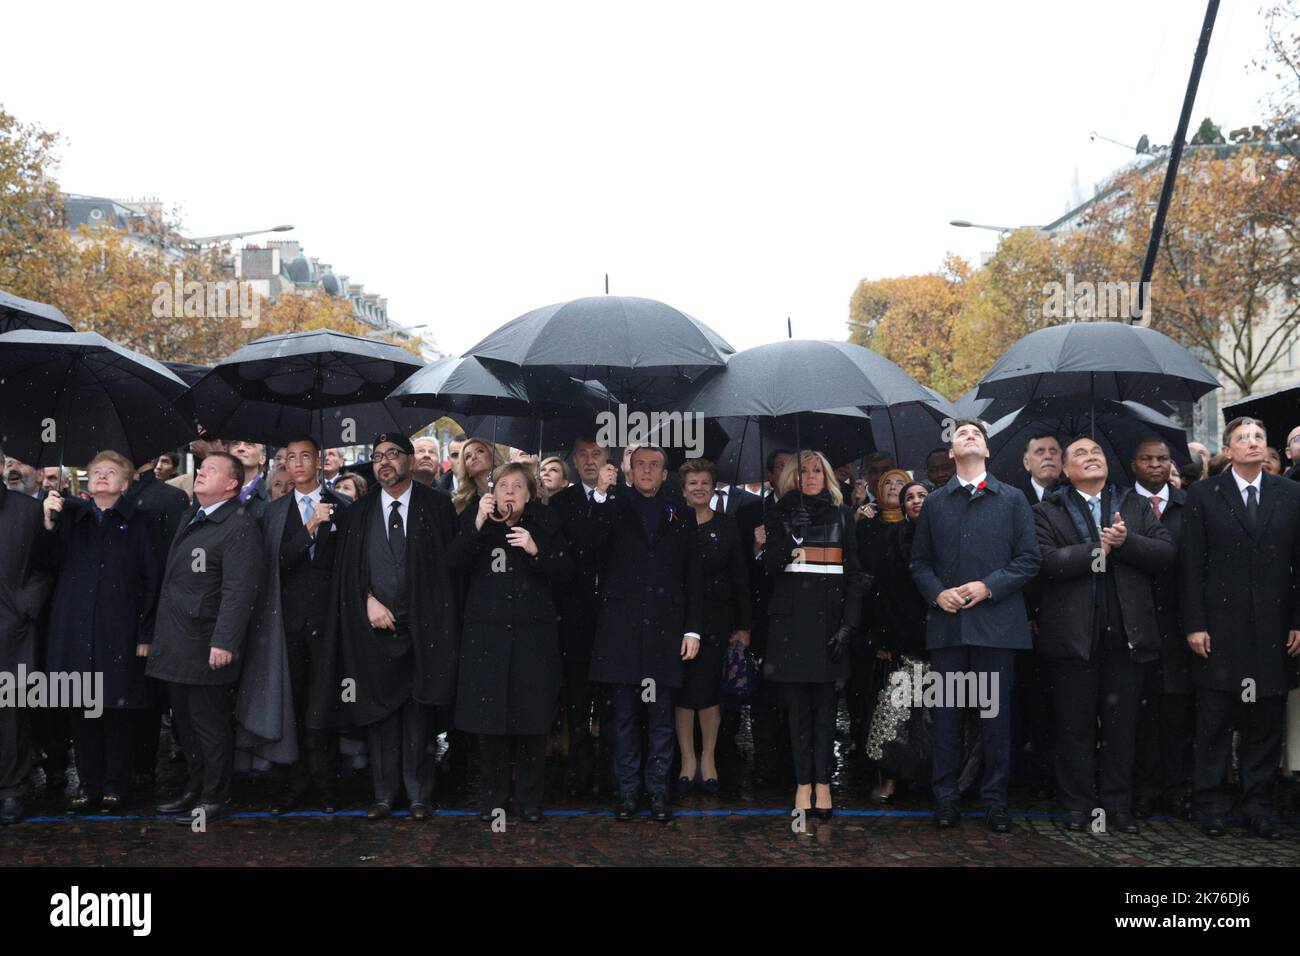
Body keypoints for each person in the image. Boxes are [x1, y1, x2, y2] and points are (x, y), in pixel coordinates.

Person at [308, 433, 459, 821]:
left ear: (409, 459)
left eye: (393, 454)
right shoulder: (357, 513)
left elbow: (452, 571)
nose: (384, 462)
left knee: (419, 714)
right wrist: (366, 599)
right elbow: (346, 573)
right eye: (377, 456)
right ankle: (383, 795)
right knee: (380, 716)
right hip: (373, 633)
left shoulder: (438, 508)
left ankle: (420, 795)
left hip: (424, 631)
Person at [1033, 436, 1175, 834]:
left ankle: (1118, 805)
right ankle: (1078, 806)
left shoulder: (1133, 504)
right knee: (1074, 729)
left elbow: (1165, 553)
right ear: (1064, 469)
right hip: (1073, 638)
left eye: (1096, 451)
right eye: (1080, 453)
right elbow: (1046, 562)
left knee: (1122, 729)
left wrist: (1126, 542)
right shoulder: (1048, 510)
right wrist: (1099, 549)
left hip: (1126, 637)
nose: (1091, 457)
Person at [910, 418, 1041, 833]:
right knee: (946, 718)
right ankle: (946, 798)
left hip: (996, 627)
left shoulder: (1013, 499)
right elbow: (919, 562)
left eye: (977, 435)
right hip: (949, 628)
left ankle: (995, 801)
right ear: (951, 453)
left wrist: (989, 587)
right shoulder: (934, 503)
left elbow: (1029, 559)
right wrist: (937, 592)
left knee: (995, 719)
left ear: (986, 451)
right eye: (960, 435)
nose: (968, 436)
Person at [1179, 417, 1300, 839]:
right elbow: (1191, 565)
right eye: (1242, 438)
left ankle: (1258, 807)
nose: (1252, 444)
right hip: (1219, 630)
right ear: (1227, 450)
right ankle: (1210, 805)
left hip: (1273, 630)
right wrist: (1195, 623)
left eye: (1259, 438)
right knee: (1214, 724)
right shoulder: (1203, 494)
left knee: (1265, 725)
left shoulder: (1291, 495)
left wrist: (1298, 620)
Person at [39, 450, 164, 814]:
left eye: (111, 472)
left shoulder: (142, 522)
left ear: (125, 483)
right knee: (82, 711)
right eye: (96, 472)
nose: (102, 477)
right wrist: (48, 523)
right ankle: (89, 785)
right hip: (74, 629)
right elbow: (46, 564)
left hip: (120, 630)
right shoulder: (70, 518)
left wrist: (146, 632)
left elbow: (152, 579)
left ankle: (114, 786)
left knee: (117, 711)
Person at [448, 462, 571, 822]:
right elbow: (451, 564)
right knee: (491, 727)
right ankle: (494, 800)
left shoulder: (545, 524)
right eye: (503, 486)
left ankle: (530, 801)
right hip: (487, 641)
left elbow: (566, 572)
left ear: (530, 494)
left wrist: (535, 550)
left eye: (518, 486)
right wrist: (475, 523)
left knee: (532, 724)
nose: (510, 492)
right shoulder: (476, 522)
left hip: (534, 642)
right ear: (492, 492)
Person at [147, 452, 264, 826]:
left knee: (208, 724)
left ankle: (215, 795)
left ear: (232, 483)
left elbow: (238, 590)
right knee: (184, 723)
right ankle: (194, 787)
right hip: (177, 640)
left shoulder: (238, 524)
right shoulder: (193, 516)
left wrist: (225, 641)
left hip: (205, 642)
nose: (200, 473)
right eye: (201, 468)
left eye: (210, 469)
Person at [588, 445, 703, 821]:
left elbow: (693, 578)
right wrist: (602, 496)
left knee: (661, 720)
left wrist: (692, 630)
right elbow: (593, 544)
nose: (648, 471)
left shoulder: (682, 515)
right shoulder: (613, 505)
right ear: (629, 470)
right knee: (623, 720)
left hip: (665, 633)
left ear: (665, 474)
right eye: (641, 465)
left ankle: (658, 793)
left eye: (655, 465)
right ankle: (626, 793)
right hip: (621, 632)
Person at [762, 450, 864, 818]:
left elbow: (854, 573)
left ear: (827, 476)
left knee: (825, 712)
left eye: (817, 470)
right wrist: (791, 533)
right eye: (802, 471)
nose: (810, 476)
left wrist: (848, 626)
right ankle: (802, 782)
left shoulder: (840, 514)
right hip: (791, 628)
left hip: (829, 627)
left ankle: (823, 782)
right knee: (798, 713)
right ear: (792, 476)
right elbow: (770, 569)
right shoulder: (778, 512)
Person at [259, 436, 348, 815]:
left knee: (324, 704)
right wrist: (310, 526)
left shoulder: (343, 508)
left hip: (330, 622)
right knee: (293, 705)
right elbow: (274, 563)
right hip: (288, 624)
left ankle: (328, 784)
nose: (296, 464)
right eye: (289, 457)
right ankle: (294, 783)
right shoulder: (273, 512)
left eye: (304, 457)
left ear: (319, 462)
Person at [1129, 438, 1194, 820]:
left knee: (1178, 713)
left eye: (1163, 459)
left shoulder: (1190, 505)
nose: (1156, 465)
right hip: (1135, 623)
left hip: (1180, 624)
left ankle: (1177, 788)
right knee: (1139, 713)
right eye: (1147, 459)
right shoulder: (1123, 505)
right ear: (1133, 464)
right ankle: (1144, 788)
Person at [676, 459, 750, 793]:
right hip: (678, 620)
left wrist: (744, 624)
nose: (699, 488)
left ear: (713, 487)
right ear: (683, 488)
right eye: (693, 483)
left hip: (718, 619)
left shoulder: (729, 524)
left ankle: (708, 758)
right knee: (683, 690)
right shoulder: (673, 522)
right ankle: (687, 759)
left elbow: (740, 577)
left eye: (705, 482)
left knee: (708, 690)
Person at [547, 437, 614, 797]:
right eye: (583, 455)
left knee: (613, 704)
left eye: (597, 454)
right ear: (573, 459)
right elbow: (578, 547)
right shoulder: (560, 503)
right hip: (574, 618)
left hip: (615, 618)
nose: (590, 461)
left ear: (608, 458)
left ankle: (611, 771)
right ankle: (580, 771)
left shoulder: (623, 499)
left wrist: (605, 497)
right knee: (576, 699)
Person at [866, 480, 931, 802]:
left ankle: (934, 781)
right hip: (903, 639)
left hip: (943, 639)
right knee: (894, 714)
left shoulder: (949, 537)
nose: (916, 501)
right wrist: (886, 637)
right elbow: (883, 591)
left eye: (922, 495)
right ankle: (889, 778)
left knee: (937, 718)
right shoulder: (892, 539)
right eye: (910, 497)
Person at [734, 449, 794, 785]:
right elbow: (741, 573)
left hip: (801, 618)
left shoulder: (814, 512)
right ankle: (767, 761)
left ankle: (796, 761)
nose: (787, 475)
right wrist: (759, 550)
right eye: (781, 469)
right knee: (765, 695)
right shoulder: (749, 514)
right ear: (770, 475)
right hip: (764, 616)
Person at [0, 456, 54, 825]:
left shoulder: (27, 510)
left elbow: (46, 566)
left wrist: (24, 608)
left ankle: (11, 790)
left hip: (12, 629)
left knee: (12, 713)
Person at [850, 468, 910, 757]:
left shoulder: (914, 528)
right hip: (867, 617)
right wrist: (856, 515)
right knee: (864, 689)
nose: (894, 487)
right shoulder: (865, 525)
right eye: (889, 483)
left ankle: (897, 757)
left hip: (903, 619)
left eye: (901, 483)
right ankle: (864, 748)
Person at [451, 437, 496, 516]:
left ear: (493, 456)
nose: (473, 457)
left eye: (480, 451)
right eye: (467, 457)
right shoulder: (464, 505)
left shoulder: (511, 488)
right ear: (466, 470)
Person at [229, 440, 270, 522]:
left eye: (249, 444)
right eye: (235, 444)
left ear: (262, 458)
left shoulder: (270, 494)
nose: (240, 448)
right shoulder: (214, 489)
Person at [1019, 433, 1063, 504]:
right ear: (1027, 463)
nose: (1048, 456)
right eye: (1040, 452)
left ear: (1062, 459)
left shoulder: (1078, 492)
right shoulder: (1016, 500)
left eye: (1053, 451)